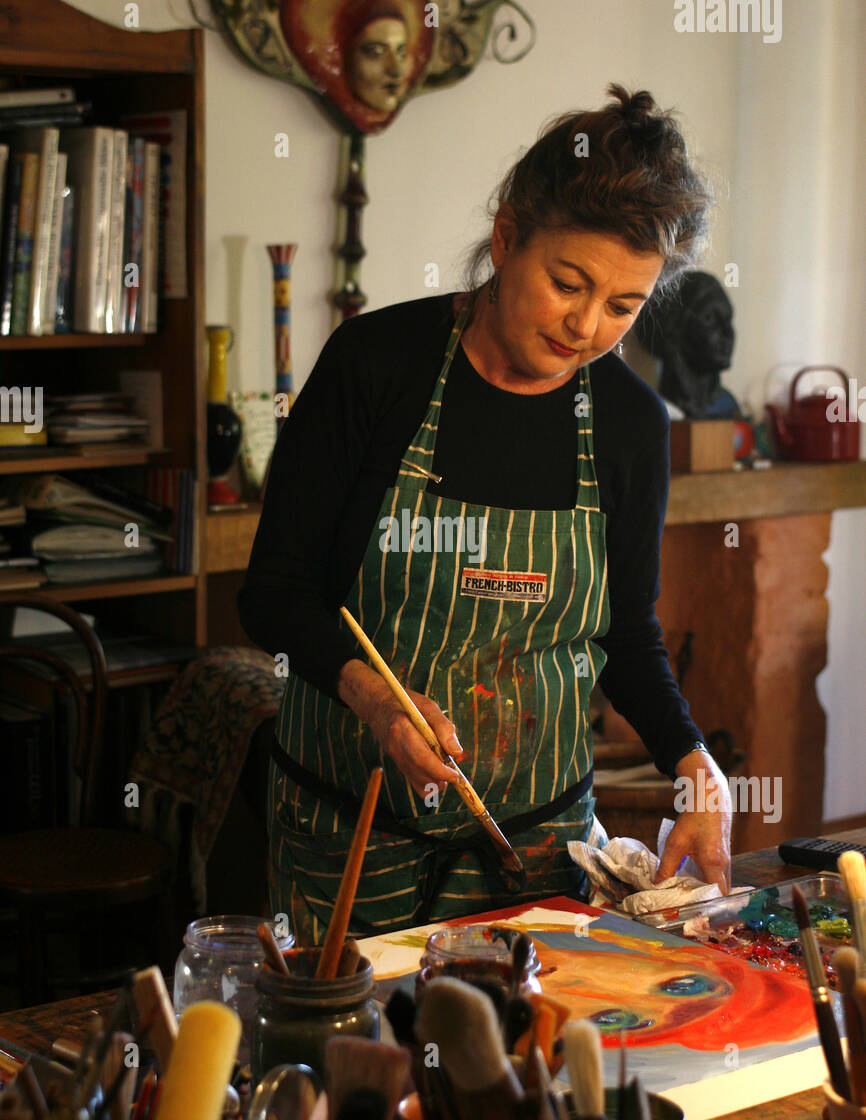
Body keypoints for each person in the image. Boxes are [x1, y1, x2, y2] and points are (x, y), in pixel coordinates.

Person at [238, 84, 733, 946]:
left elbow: (625, 638)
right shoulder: (377, 367)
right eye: (567, 283)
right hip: (351, 837)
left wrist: (696, 765)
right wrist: (376, 701)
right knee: (353, 1069)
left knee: (529, 1070)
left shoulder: (627, 423)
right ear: (507, 239)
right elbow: (274, 593)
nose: (585, 326)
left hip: (540, 854)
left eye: (622, 306)